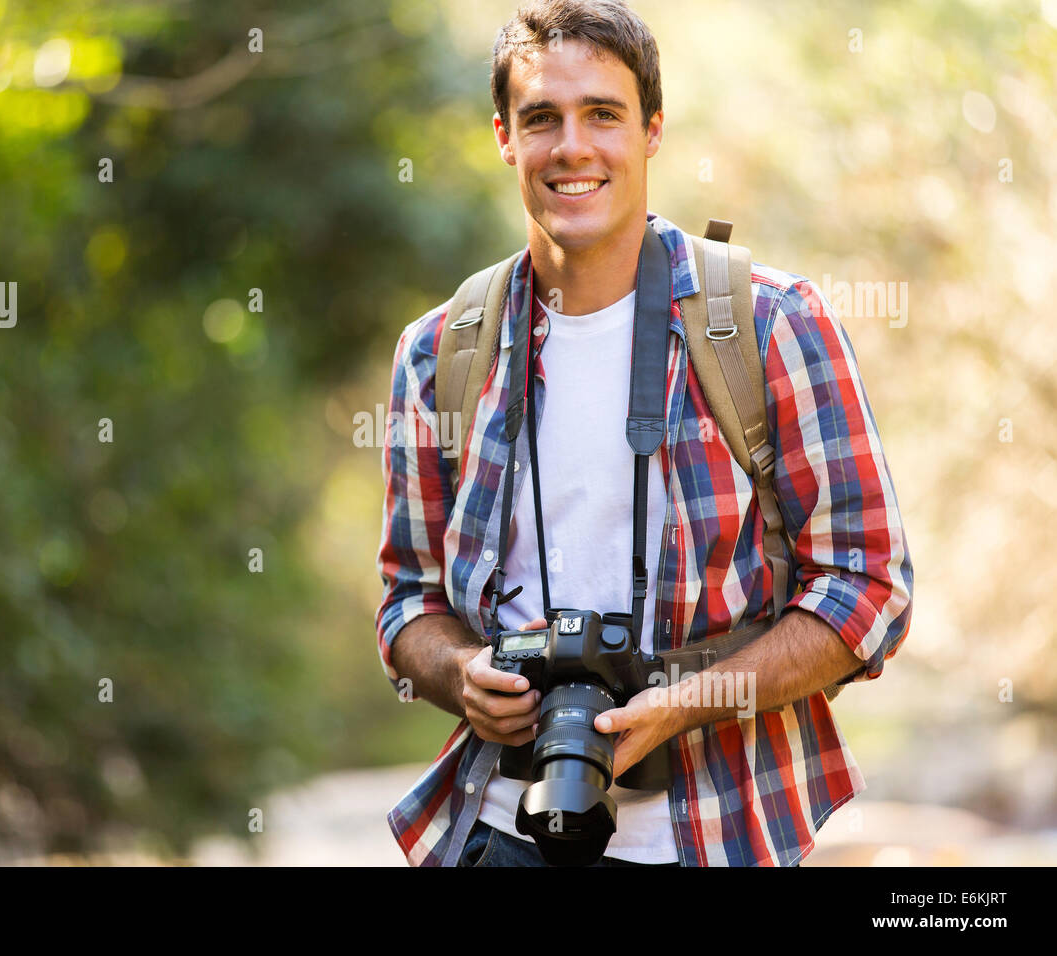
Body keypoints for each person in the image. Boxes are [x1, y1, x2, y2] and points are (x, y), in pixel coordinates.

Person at [374, 0, 913, 867]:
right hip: (499, 825)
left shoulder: (773, 326)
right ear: (505, 138)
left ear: (653, 130)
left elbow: (868, 591)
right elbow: (409, 601)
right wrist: (459, 678)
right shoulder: (439, 353)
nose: (572, 148)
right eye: (541, 118)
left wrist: (687, 701)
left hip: (717, 829)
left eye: (603, 114)